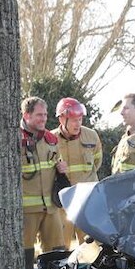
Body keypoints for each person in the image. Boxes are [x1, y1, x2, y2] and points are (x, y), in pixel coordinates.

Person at [19, 96, 68, 269]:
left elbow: (56, 164)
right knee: (23, 260)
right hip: (25, 212)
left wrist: (62, 169)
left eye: (46, 115)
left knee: (58, 258)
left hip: (51, 210)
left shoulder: (51, 140)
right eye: (39, 115)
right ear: (26, 115)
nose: (44, 119)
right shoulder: (13, 140)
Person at [51, 97, 102, 244]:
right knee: (60, 247)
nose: (78, 123)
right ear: (61, 119)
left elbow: (97, 162)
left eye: (80, 119)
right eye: (73, 120)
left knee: (92, 247)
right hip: (62, 203)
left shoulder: (92, 136)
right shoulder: (50, 139)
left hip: (87, 202)